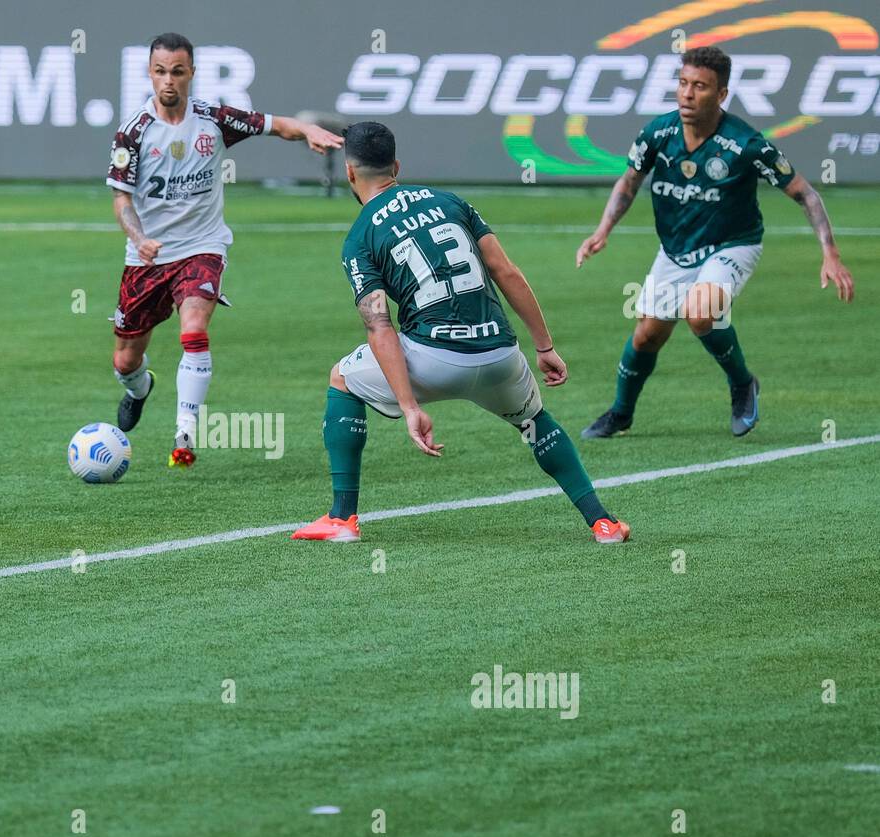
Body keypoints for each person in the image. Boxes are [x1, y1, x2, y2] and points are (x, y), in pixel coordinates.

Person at [292, 122, 629, 544]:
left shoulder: (360, 236)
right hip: (500, 356)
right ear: (397, 165)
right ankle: (603, 523)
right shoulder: (450, 201)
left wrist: (409, 406)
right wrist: (545, 346)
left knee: (342, 377)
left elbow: (380, 325)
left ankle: (342, 520)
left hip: (433, 360)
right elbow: (506, 272)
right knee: (535, 423)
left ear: (350, 174)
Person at [577, 45, 854, 439]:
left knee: (700, 312)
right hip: (676, 249)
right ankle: (621, 413)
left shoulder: (745, 144)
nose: (688, 94)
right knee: (647, 334)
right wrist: (602, 231)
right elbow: (629, 182)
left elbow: (806, 193)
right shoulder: (658, 132)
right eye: (683, 83)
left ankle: (742, 383)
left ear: (721, 94)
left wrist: (830, 253)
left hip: (733, 244)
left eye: (700, 87)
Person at [107, 31, 343, 467]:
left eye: (178, 71)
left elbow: (274, 125)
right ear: (149, 73)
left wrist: (308, 129)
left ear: (191, 73)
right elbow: (121, 199)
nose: (169, 81)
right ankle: (138, 389)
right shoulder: (134, 133)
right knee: (125, 358)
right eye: (160, 72)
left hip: (203, 247)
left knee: (194, 329)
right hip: (147, 257)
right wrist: (139, 239)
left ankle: (184, 434)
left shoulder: (213, 119)